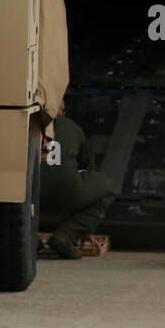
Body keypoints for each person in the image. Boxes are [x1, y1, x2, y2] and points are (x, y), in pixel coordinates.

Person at [40, 101, 114, 259]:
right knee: (105, 189)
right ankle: (66, 234)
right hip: (68, 190)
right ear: (63, 112)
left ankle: (28, 239)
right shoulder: (73, 127)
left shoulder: (29, 122)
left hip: (31, 192)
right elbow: (88, 169)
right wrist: (86, 228)